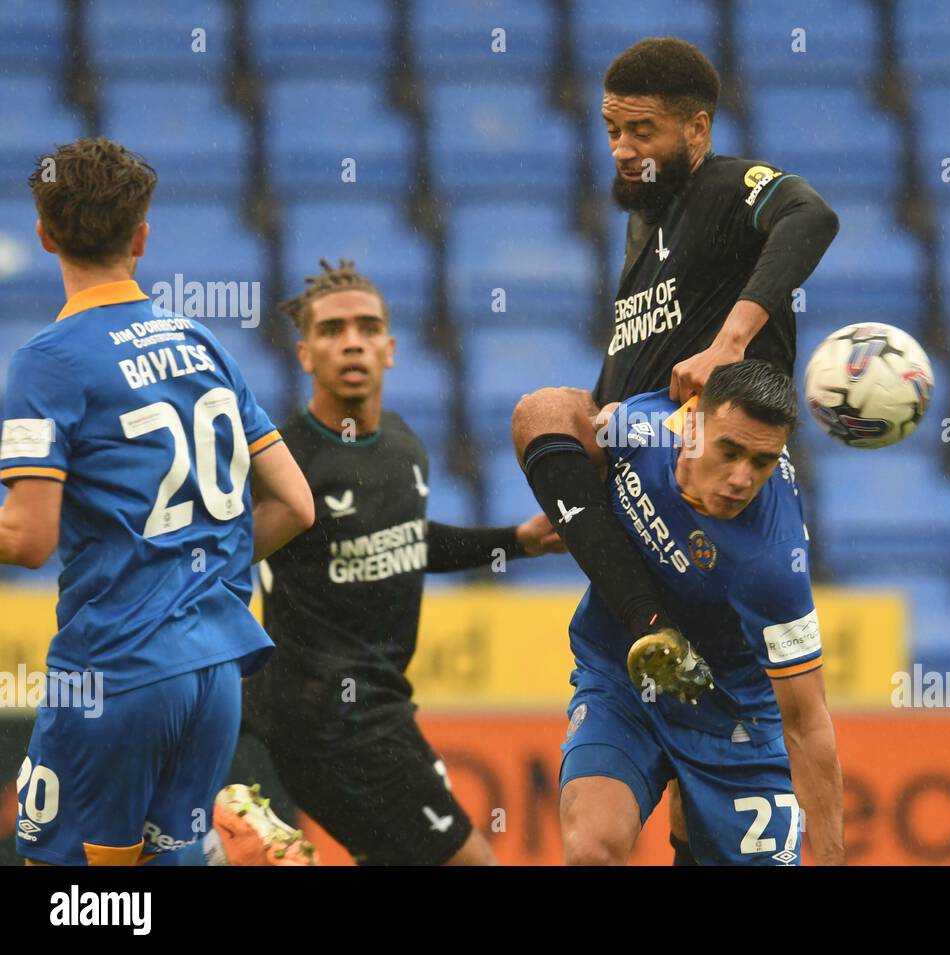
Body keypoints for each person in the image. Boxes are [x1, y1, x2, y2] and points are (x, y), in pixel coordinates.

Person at [525, 36, 840, 863]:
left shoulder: (727, 188)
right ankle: (644, 629)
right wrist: (580, 494)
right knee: (546, 412)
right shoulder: (646, 236)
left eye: (643, 131)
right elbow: (611, 388)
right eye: (612, 131)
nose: (624, 151)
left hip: (723, 599)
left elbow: (813, 215)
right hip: (645, 521)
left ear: (697, 130)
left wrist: (736, 337)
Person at [2, 137, 316, 866]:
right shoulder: (203, 343)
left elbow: (27, 536)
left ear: (44, 234)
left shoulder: (47, 361)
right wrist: (194, 571)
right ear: (141, 238)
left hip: (117, 669)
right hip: (215, 670)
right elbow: (296, 504)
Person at [239, 259, 563, 866]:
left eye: (367, 327)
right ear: (305, 355)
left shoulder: (403, 443)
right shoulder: (283, 464)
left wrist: (516, 540)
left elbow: (407, 541)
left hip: (382, 710)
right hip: (327, 724)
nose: (352, 340)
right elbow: (220, 565)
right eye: (333, 331)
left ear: (389, 348)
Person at [513, 360, 843, 865]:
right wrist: (574, 504)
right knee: (591, 851)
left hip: (734, 721)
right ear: (690, 424)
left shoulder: (774, 563)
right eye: (729, 451)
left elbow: (807, 721)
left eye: (762, 461)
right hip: (624, 682)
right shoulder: (638, 428)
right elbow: (555, 416)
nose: (741, 478)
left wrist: (833, 859)